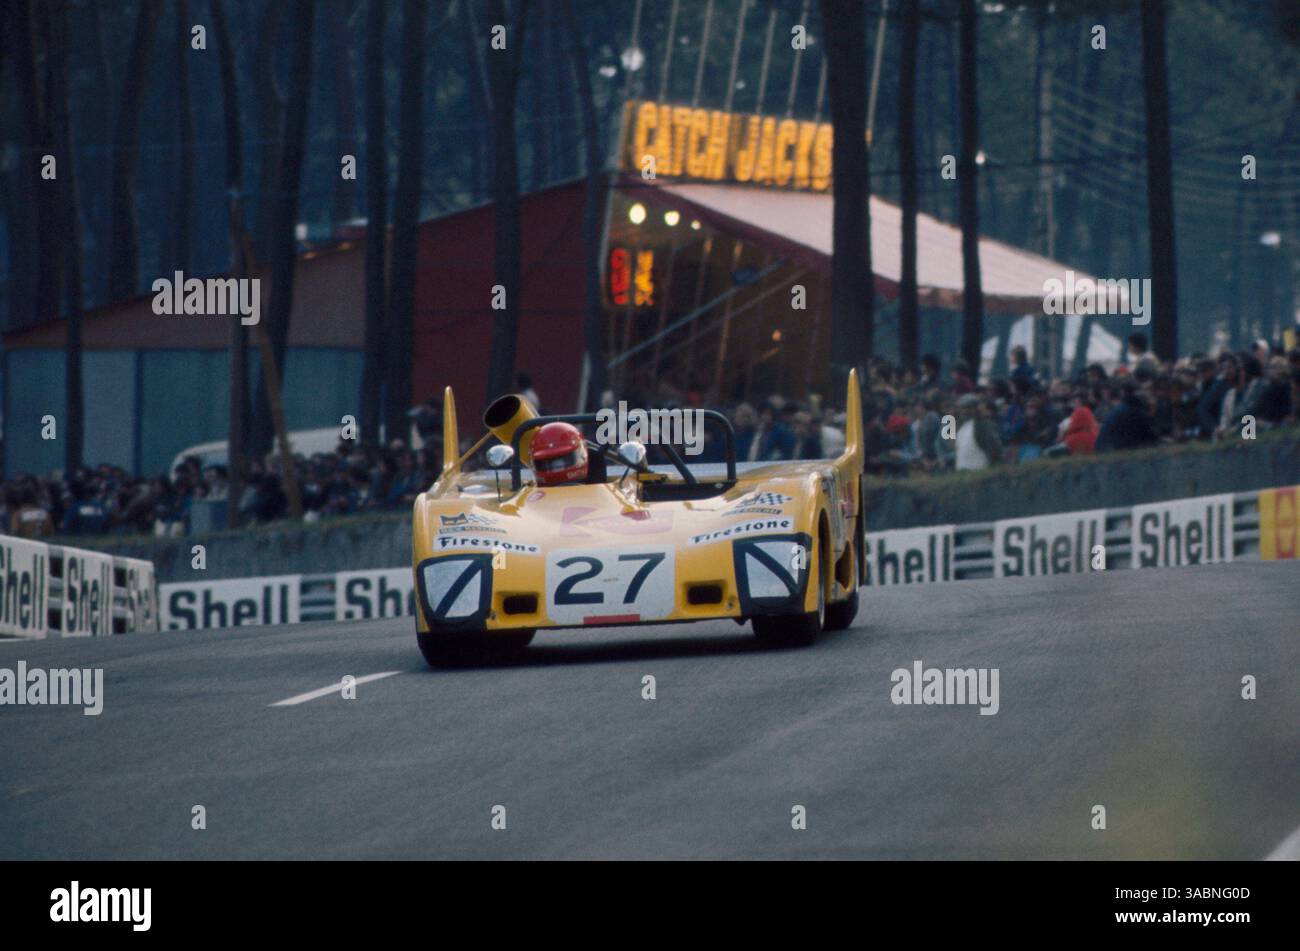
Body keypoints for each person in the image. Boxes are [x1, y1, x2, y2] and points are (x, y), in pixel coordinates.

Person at [530, 422, 589, 486]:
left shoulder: (600, 484)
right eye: (548, 463)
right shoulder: (528, 490)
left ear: (582, 453)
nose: (557, 468)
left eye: (565, 460)